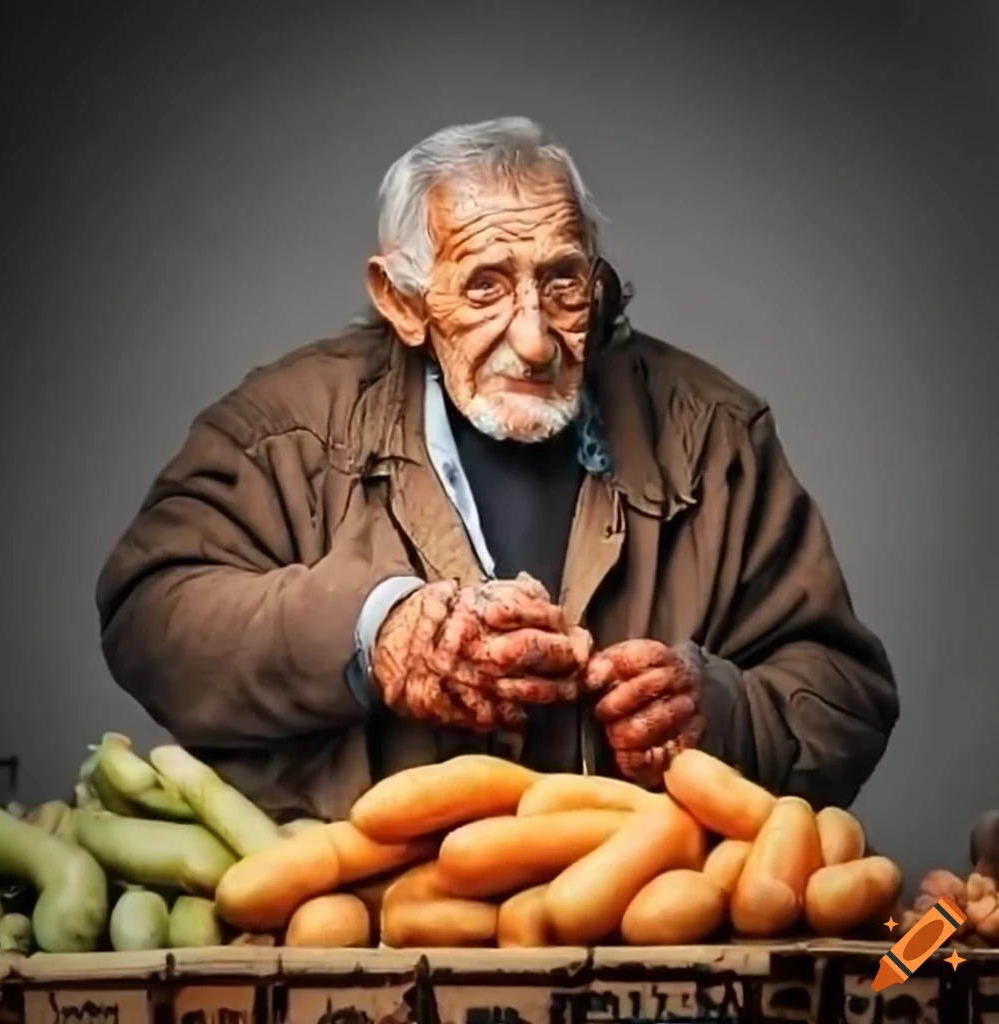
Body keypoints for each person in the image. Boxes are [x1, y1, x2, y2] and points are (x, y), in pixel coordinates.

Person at [95, 117, 899, 823]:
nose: (536, 338)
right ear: (403, 301)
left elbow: (845, 694)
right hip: (367, 936)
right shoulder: (287, 428)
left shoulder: (712, 434)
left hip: (640, 930)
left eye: (562, 281)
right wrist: (374, 635)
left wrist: (721, 714)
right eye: (485, 286)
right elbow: (150, 613)